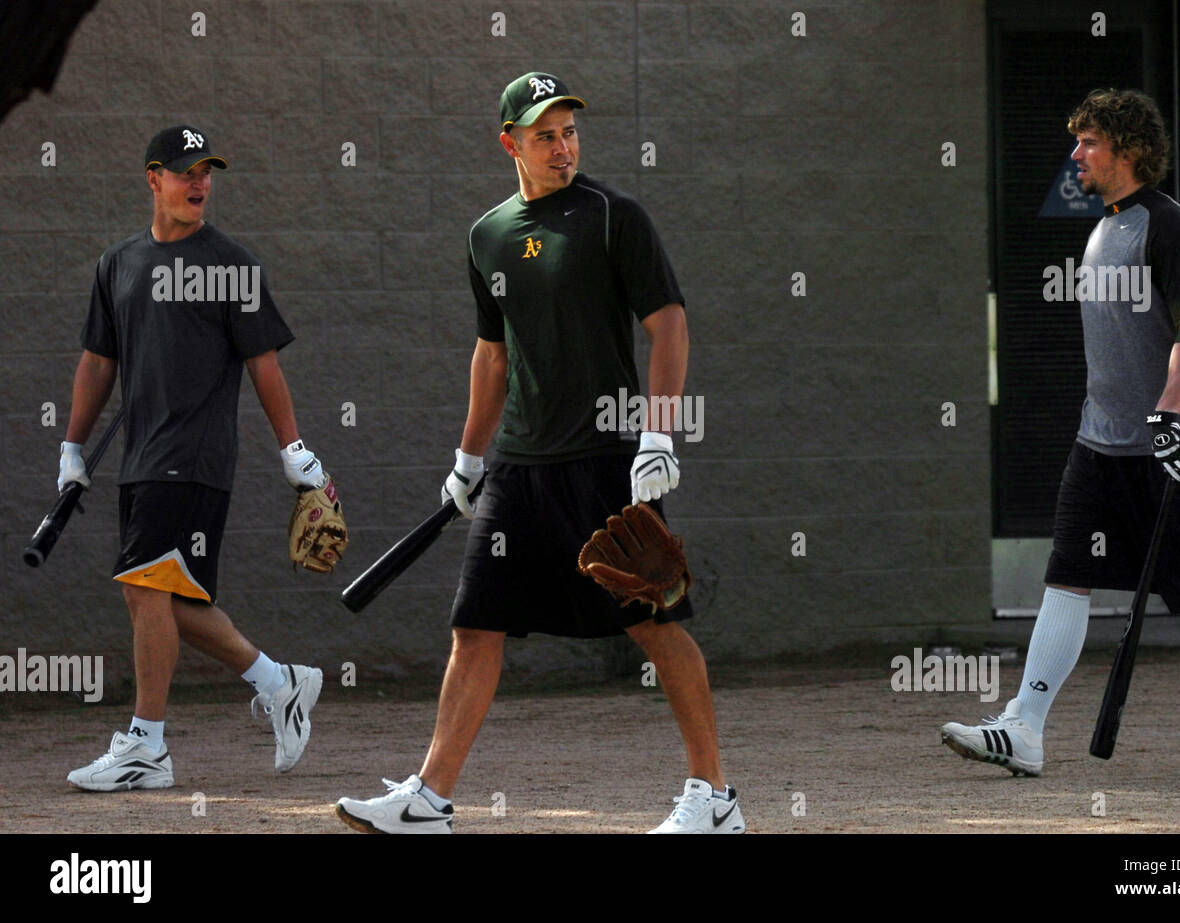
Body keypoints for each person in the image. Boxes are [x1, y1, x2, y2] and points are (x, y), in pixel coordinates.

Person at [335, 73, 744, 833]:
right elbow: (492, 355)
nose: (562, 148)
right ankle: (428, 801)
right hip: (519, 466)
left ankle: (714, 797)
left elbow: (670, 322)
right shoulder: (486, 235)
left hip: (608, 457)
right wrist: (467, 458)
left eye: (570, 133)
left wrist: (658, 432)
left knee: (653, 620)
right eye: (545, 135)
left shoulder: (612, 216)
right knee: (475, 625)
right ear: (510, 143)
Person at [942, 88, 1180, 776]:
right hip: (1100, 445)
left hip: (1178, 444)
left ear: (1127, 150)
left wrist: (1166, 415)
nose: (1076, 154)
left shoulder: (1171, 228)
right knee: (1067, 577)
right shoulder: (1102, 229)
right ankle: (1025, 726)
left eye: (1089, 142)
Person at [63, 125, 328, 791]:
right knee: (151, 592)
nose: (200, 184)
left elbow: (263, 364)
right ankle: (280, 681)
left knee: (148, 585)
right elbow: (98, 361)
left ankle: (147, 745)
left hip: (196, 456)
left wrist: (294, 449)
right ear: (153, 179)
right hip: (140, 458)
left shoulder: (231, 264)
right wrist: (72, 444)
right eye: (186, 172)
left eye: (207, 172)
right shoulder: (117, 264)